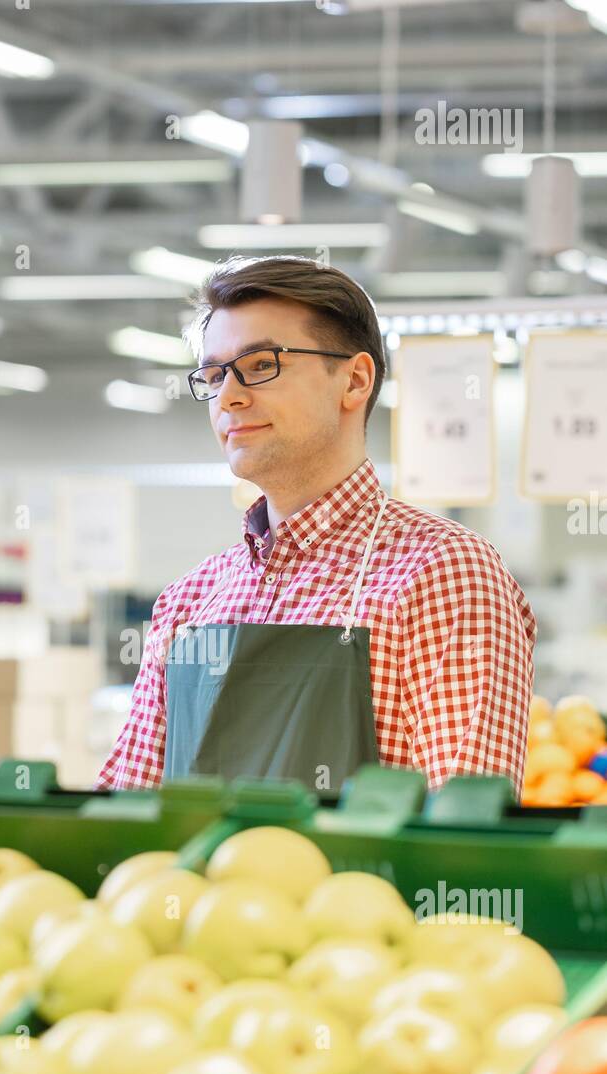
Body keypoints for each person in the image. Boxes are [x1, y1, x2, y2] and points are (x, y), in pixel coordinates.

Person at [95, 255, 535, 798]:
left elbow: (462, 831)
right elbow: (129, 810)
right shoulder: (188, 602)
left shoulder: (444, 575)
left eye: (261, 365)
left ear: (354, 380)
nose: (228, 396)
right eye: (213, 375)